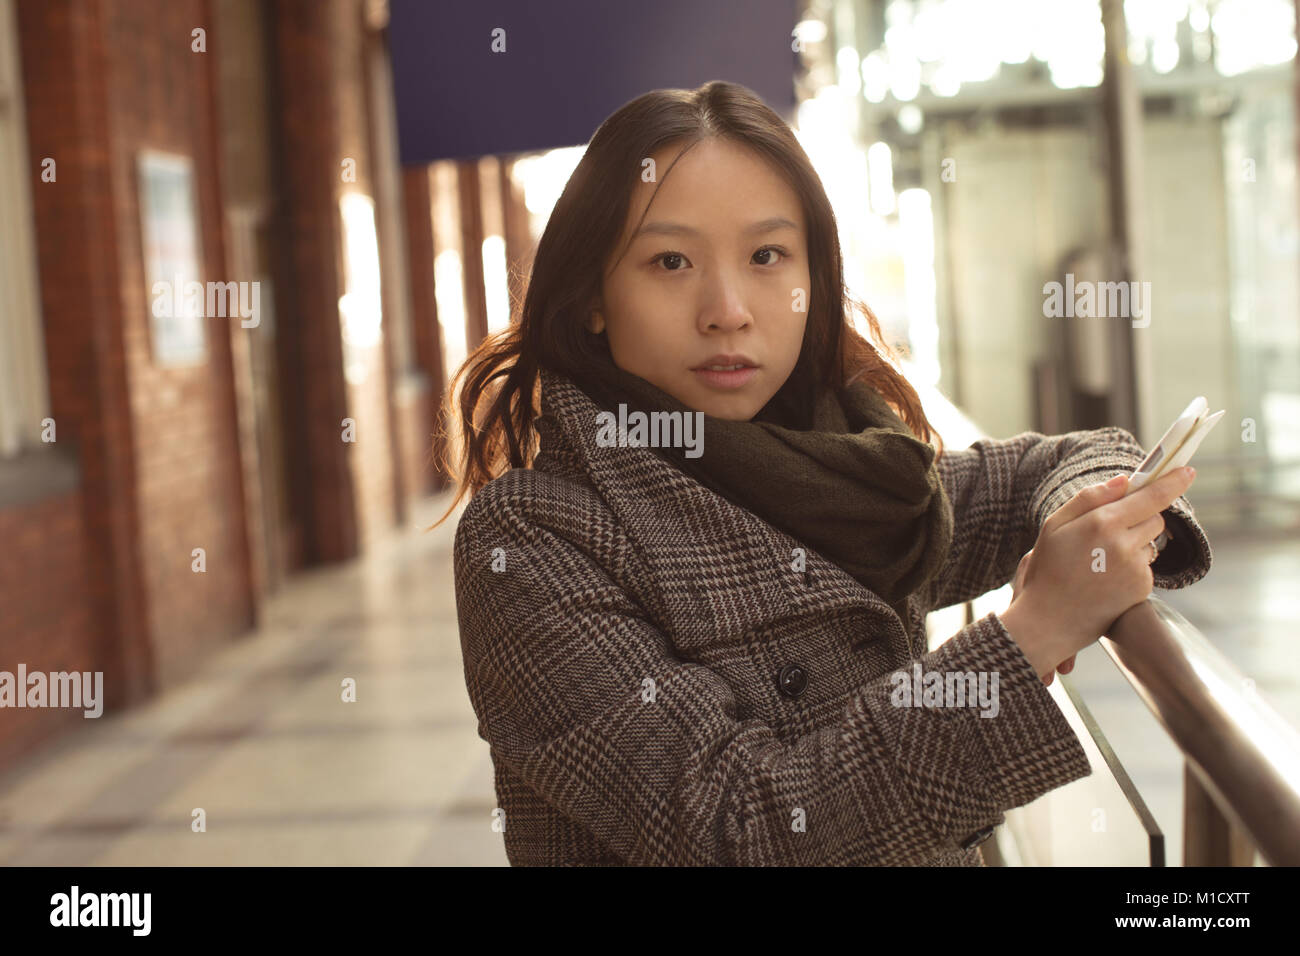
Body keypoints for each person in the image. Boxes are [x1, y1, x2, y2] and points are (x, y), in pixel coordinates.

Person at [429, 81, 1212, 866]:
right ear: (594, 294)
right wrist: (1034, 633)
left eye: (767, 256)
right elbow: (742, 832)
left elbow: (1051, 464)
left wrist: (1097, 519)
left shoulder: (837, 464)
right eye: (670, 261)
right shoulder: (532, 542)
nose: (728, 309)